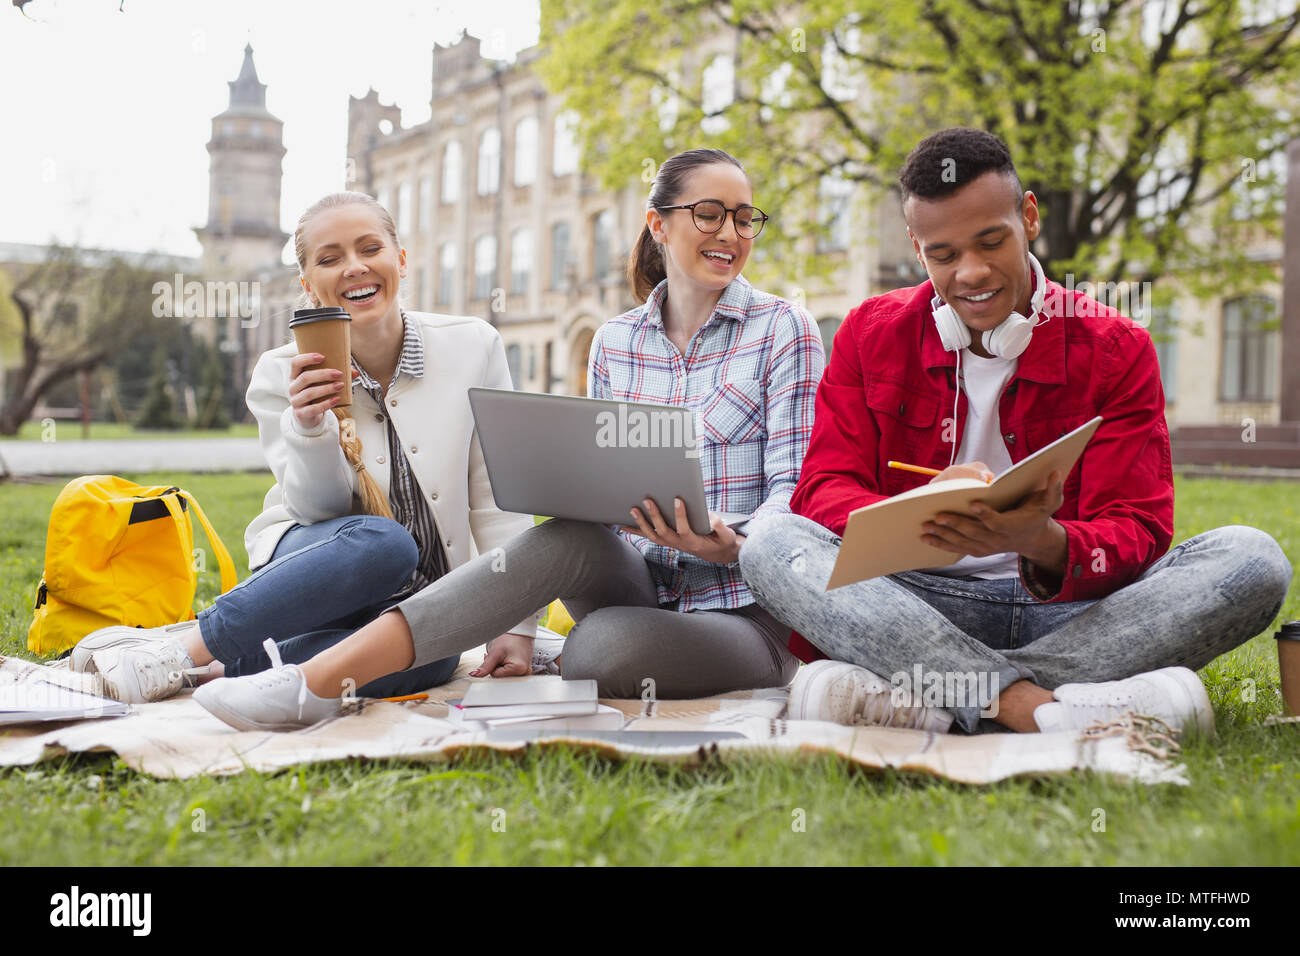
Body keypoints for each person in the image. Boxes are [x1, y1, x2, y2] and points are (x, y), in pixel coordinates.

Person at [191, 147, 826, 732]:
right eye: (709, 214)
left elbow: (792, 495)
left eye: (744, 219)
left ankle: (301, 675)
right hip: (642, 583)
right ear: (659, 225)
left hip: (745, 610)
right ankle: (312, 684)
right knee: (570, 534)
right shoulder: (616, 341)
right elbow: (611, 482)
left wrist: (732, 546)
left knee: (596, 650)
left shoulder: (784, 329)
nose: (730, 234)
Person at [738, 127, 1293, 736]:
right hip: (912, 608)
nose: (971, 273)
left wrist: (1045, 539)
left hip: (1075, 615)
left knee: (1251, 559)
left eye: (990, 242)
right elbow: (822, 490)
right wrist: (915, 514)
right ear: (917, 249)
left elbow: (1137, 531)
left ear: (1028, 217)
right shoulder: (870, 332)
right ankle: (1040, 708)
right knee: (770, 540)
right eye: (944, 255)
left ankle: (934, 695)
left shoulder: (1116, 346)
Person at [71, 191, 536, 703]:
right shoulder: (280, 371)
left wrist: (515, 624)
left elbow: (497, 498)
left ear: (400, 259)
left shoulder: (475, 346)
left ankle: (205, 669)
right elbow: (319, 511)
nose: (354, 268)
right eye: (330, 259)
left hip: (417, 600)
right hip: (322, 563)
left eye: (369, 248)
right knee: (385, 545)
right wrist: (310, 425)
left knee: (436, 654)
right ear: (308, 284)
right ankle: (186, 651)